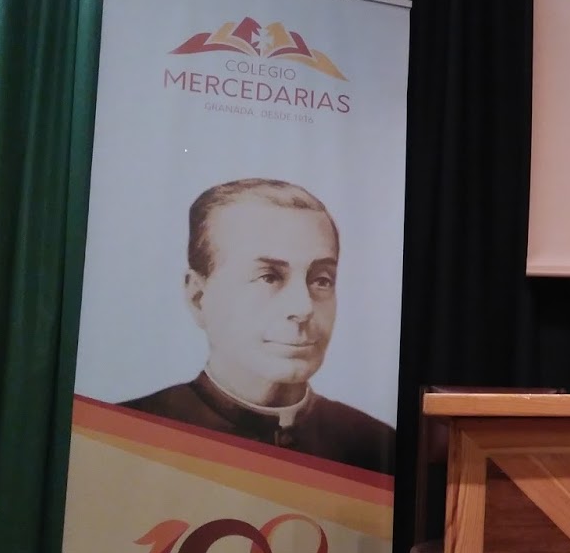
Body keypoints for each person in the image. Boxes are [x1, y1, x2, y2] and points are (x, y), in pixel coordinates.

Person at [120, 178, 396, 473]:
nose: (303, 308)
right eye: (269, 277)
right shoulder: (124, 439)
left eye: (321, 280)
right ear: (199, 297)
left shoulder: (375, 448)